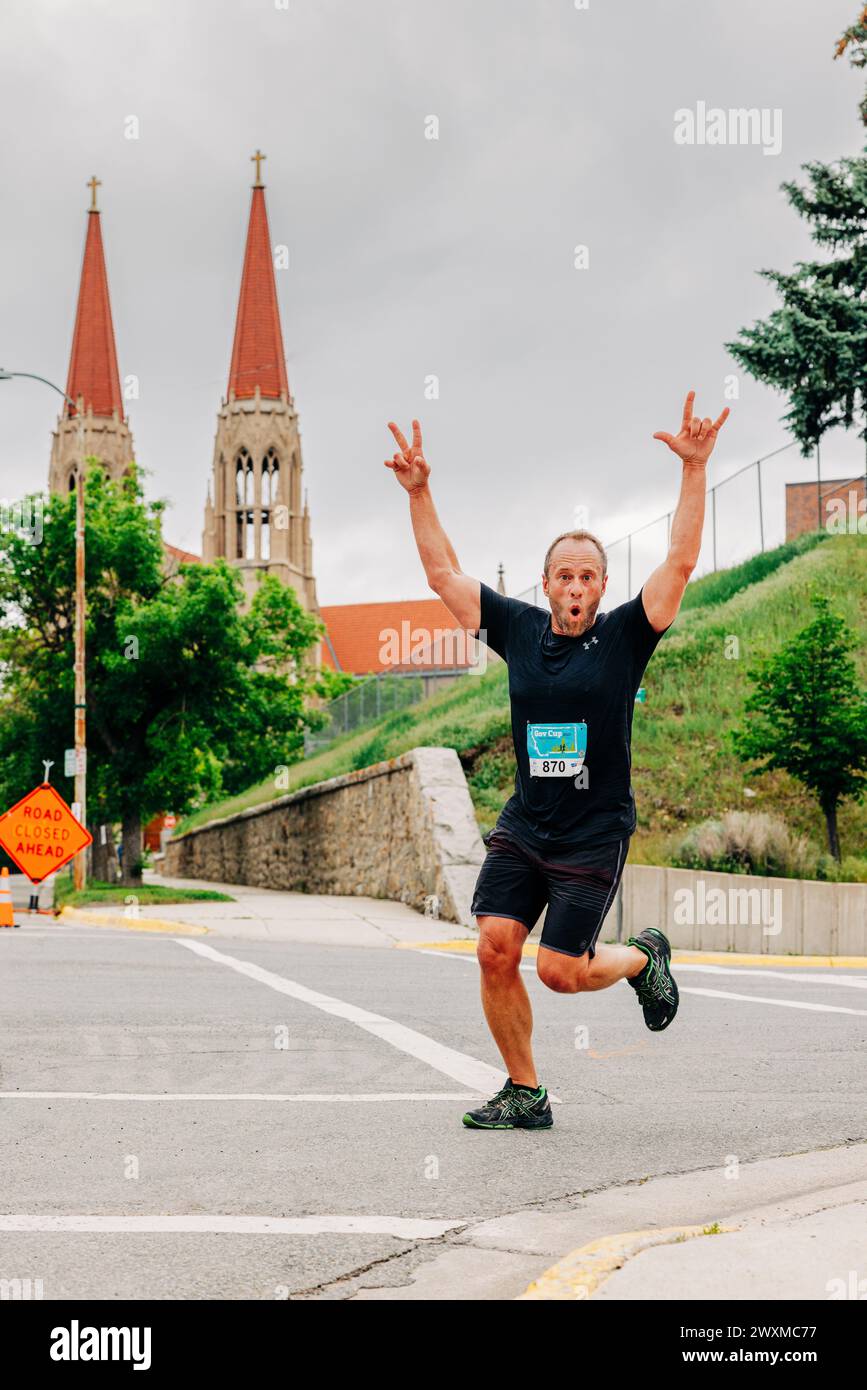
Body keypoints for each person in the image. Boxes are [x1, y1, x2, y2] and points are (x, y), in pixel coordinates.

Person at [385, 392, 729, 1130]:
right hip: (525, 826)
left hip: (592, 832)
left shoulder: (628, 635)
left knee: (561, 972)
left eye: (587, 577)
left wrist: (694, 469)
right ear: (545, 585)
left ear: (601, 588)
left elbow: (680, 558)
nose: (574, 588)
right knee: (493, 948)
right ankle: (525, 1091)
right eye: (562, 576)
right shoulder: (515, 627)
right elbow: (444, 575)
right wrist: (420, 492)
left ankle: (642, 959)